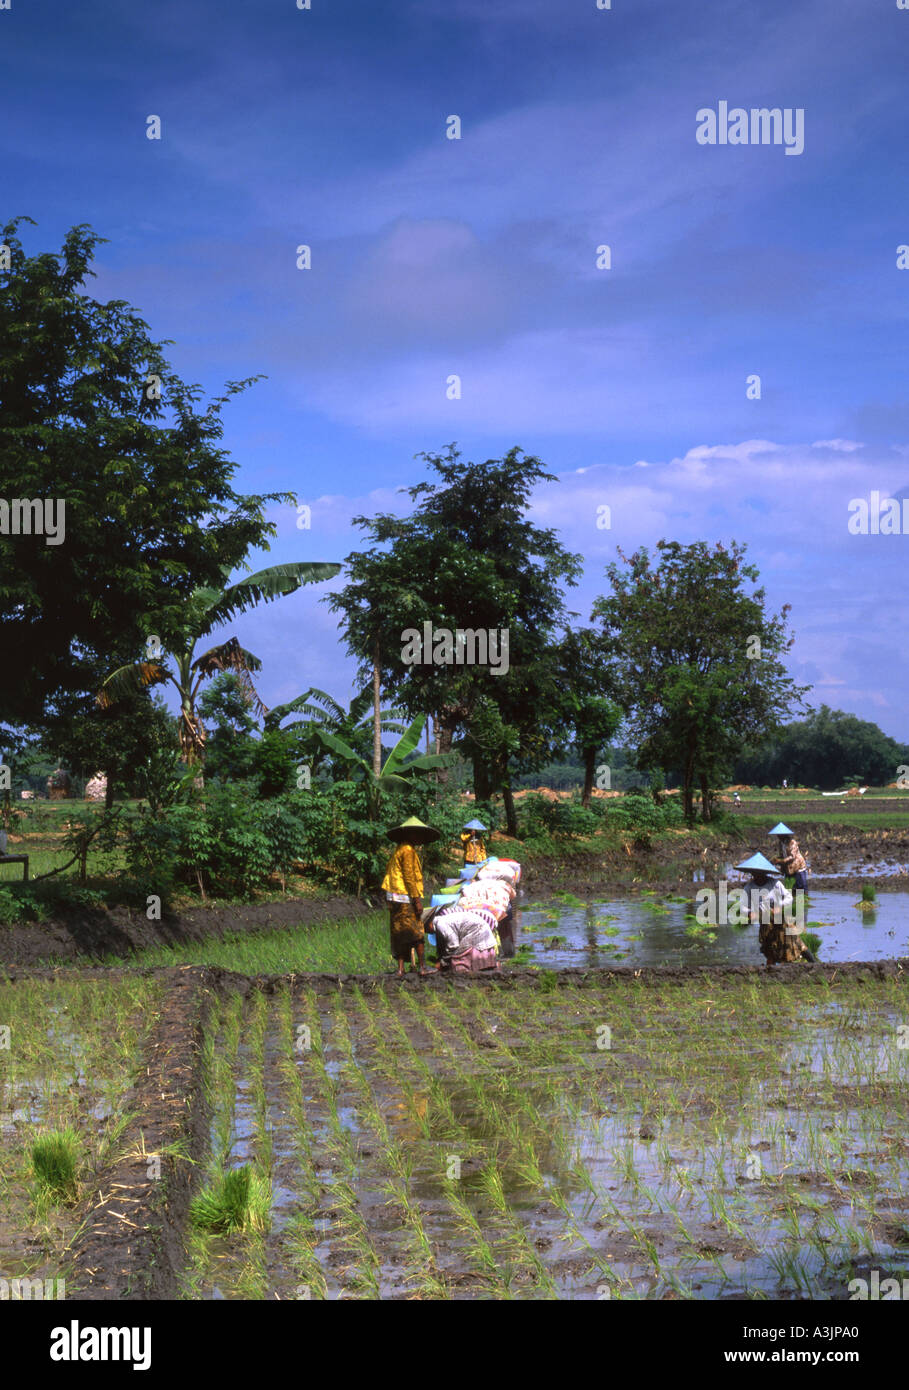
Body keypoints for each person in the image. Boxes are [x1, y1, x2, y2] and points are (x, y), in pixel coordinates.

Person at [382, 816, 440, 978]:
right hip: (404, 896)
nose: (420, 838)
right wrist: (416, 900)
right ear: (411, 834)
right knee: (417, 931)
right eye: (417, 834)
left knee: (399, 931)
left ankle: (401, 969)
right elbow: (409, 877)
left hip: (393, 895)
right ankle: (422, 967)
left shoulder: (400, 848)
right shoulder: (408, 850)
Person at [734, 852, 809, 965]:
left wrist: (780, 906)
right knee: (769, 948)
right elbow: (743, 906)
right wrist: (750, 913)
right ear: (752, 874)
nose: (757, 876)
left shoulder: (775, 884)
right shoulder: (749, 887)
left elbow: (789, 898)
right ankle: (770, 972)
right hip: (765, 922)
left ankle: (815, 964)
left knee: (795, 940)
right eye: (755, 873)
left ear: (765, 873)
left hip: (780, 919)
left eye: (760, 873)